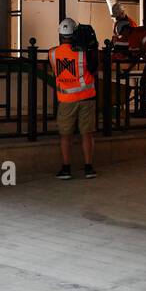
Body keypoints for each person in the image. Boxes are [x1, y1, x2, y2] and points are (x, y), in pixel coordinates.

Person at [49, 17, 97, 180]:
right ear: (74, 34)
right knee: (87, 134)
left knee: (65, 135)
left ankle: (66, 169)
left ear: (60, 35)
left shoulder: (52, 53)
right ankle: (89, 168)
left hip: (66, 100)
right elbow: (94, 67)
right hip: (87, 98)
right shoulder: (83, 53)